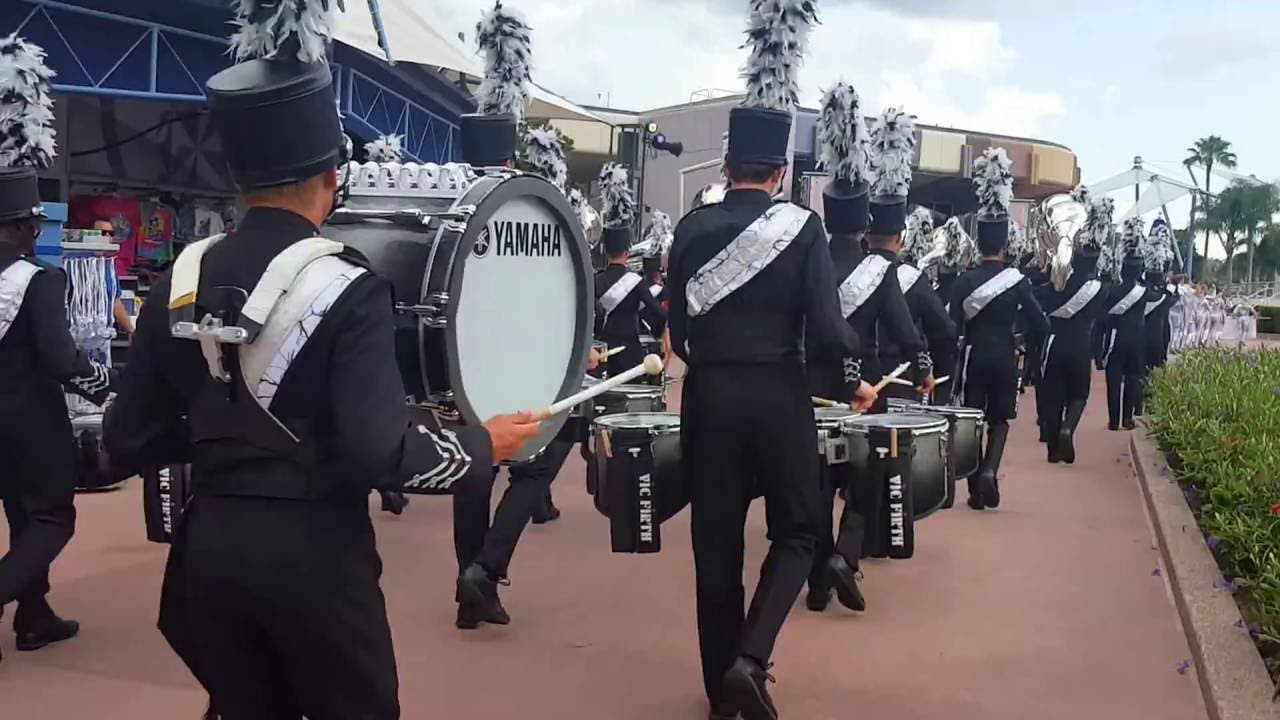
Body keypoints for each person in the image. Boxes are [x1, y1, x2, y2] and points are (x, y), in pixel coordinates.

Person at [102, 12, 540, 716]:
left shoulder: (177, 281)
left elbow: (128, 440)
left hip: (207, 551)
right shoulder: (350, 285)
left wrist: (223, 433)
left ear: (238, 179)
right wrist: (484, 444)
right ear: (332, 180)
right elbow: (376, 450)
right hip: (313, 560)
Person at [667, 5, 873, 713]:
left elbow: (681, 334)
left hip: (711, 398)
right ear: (782, 171)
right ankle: (752, 660)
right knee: (798, 530)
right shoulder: (804, 229)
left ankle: (719, 689)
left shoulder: (691, 230)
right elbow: (827, 324)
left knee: (714, 545)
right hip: (780, 396)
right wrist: (855, 380)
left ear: (726, 167)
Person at [803, 85, 929, 615]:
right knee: (864, 480)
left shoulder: (805, 259)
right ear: (865, 226)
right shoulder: (880, 272)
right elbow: (904, 331)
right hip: (864, 391)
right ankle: (845, 556)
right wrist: (922, 367)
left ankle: (814, 582)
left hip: (810, 389)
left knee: (814, 488)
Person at [1, 166, 116, 666]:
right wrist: (108, 389)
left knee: (21, 515)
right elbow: (59, 358)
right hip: (29, 422)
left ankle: (34, 615)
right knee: (52, 517)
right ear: (22, 227)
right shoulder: (39, 280)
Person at [950, 148, 1048, 510]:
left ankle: (976, 486)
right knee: (1000, 420)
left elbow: (951, 325)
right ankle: (991, 469)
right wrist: (1023, 342)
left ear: (980, 244)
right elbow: (1041, 322)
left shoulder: (964, 280)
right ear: (1005, 246)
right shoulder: (1017, 281)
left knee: (974, 418)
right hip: (1006, 355)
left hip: (974, 356)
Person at [595, 163, 666, 379]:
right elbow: (657, 312)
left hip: (600, 351)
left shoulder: (596, 280)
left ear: (605, 250)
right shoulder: (635, 282)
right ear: (628, 251)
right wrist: (657, 332)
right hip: (629, 352)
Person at [1039, 244, 1108, 464]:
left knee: (1052, 397)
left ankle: (1052, 450)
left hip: (1055, 342)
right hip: (1081, 345)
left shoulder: (1056, 286)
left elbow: (1039, 295)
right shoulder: (1100, 289)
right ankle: (1068, 428)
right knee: (1079, 395)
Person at [1100, 254, 1164, 430]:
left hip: (1115, 337)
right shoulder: (1144, 291)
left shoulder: (1112, 290)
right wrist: (1153, 276)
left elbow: (1102, 312)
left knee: (1113, 380)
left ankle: (1113, 421)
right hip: (1137, 339)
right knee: (1133, 378)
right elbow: (1159, 294)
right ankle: (1127, 419)